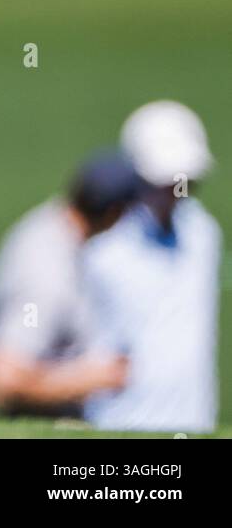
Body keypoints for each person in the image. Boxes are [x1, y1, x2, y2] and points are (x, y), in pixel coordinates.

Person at [81, 101, 221, 432]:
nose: (174, 192)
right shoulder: (103, 242)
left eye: (184, 182)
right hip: (117, 425)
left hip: (195, 424)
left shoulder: (203, 234)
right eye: (164, 182)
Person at [0, 151, 137, 418]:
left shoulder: (48, 226)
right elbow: (3, 380)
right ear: (114, 213)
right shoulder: (48, 278)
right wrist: (92, 378)